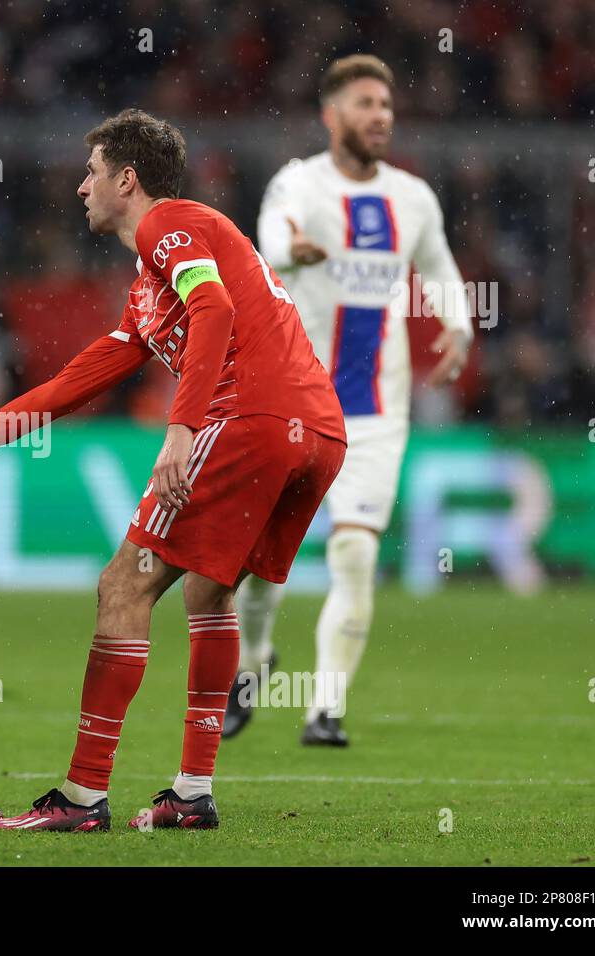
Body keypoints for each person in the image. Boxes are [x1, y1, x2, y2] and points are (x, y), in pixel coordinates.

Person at [0, 110, 347, 831]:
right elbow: (73, 386)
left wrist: (181, 430)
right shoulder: (150, 285)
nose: (80, 186)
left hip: (247, 418)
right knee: (209, 598)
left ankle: (83, 797)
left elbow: (211, 307)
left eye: (91, 172)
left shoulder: (167, 224)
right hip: (314, 433)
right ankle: (190, 793)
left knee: (124, 583)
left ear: (127, 179)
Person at [226, 55, 473, 746]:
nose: (380, 116)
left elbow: (439, 266)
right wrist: (291, 250)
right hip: (295, 405)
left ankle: (325, 707)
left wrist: (456, 321)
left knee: (356, 553)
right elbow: (271, 236)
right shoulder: (298, 183)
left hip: (374, 413)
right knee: (260, 563)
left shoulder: (414, 197)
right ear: (332, 115)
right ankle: (253, 662)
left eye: (387, 106)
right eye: (365, 103)